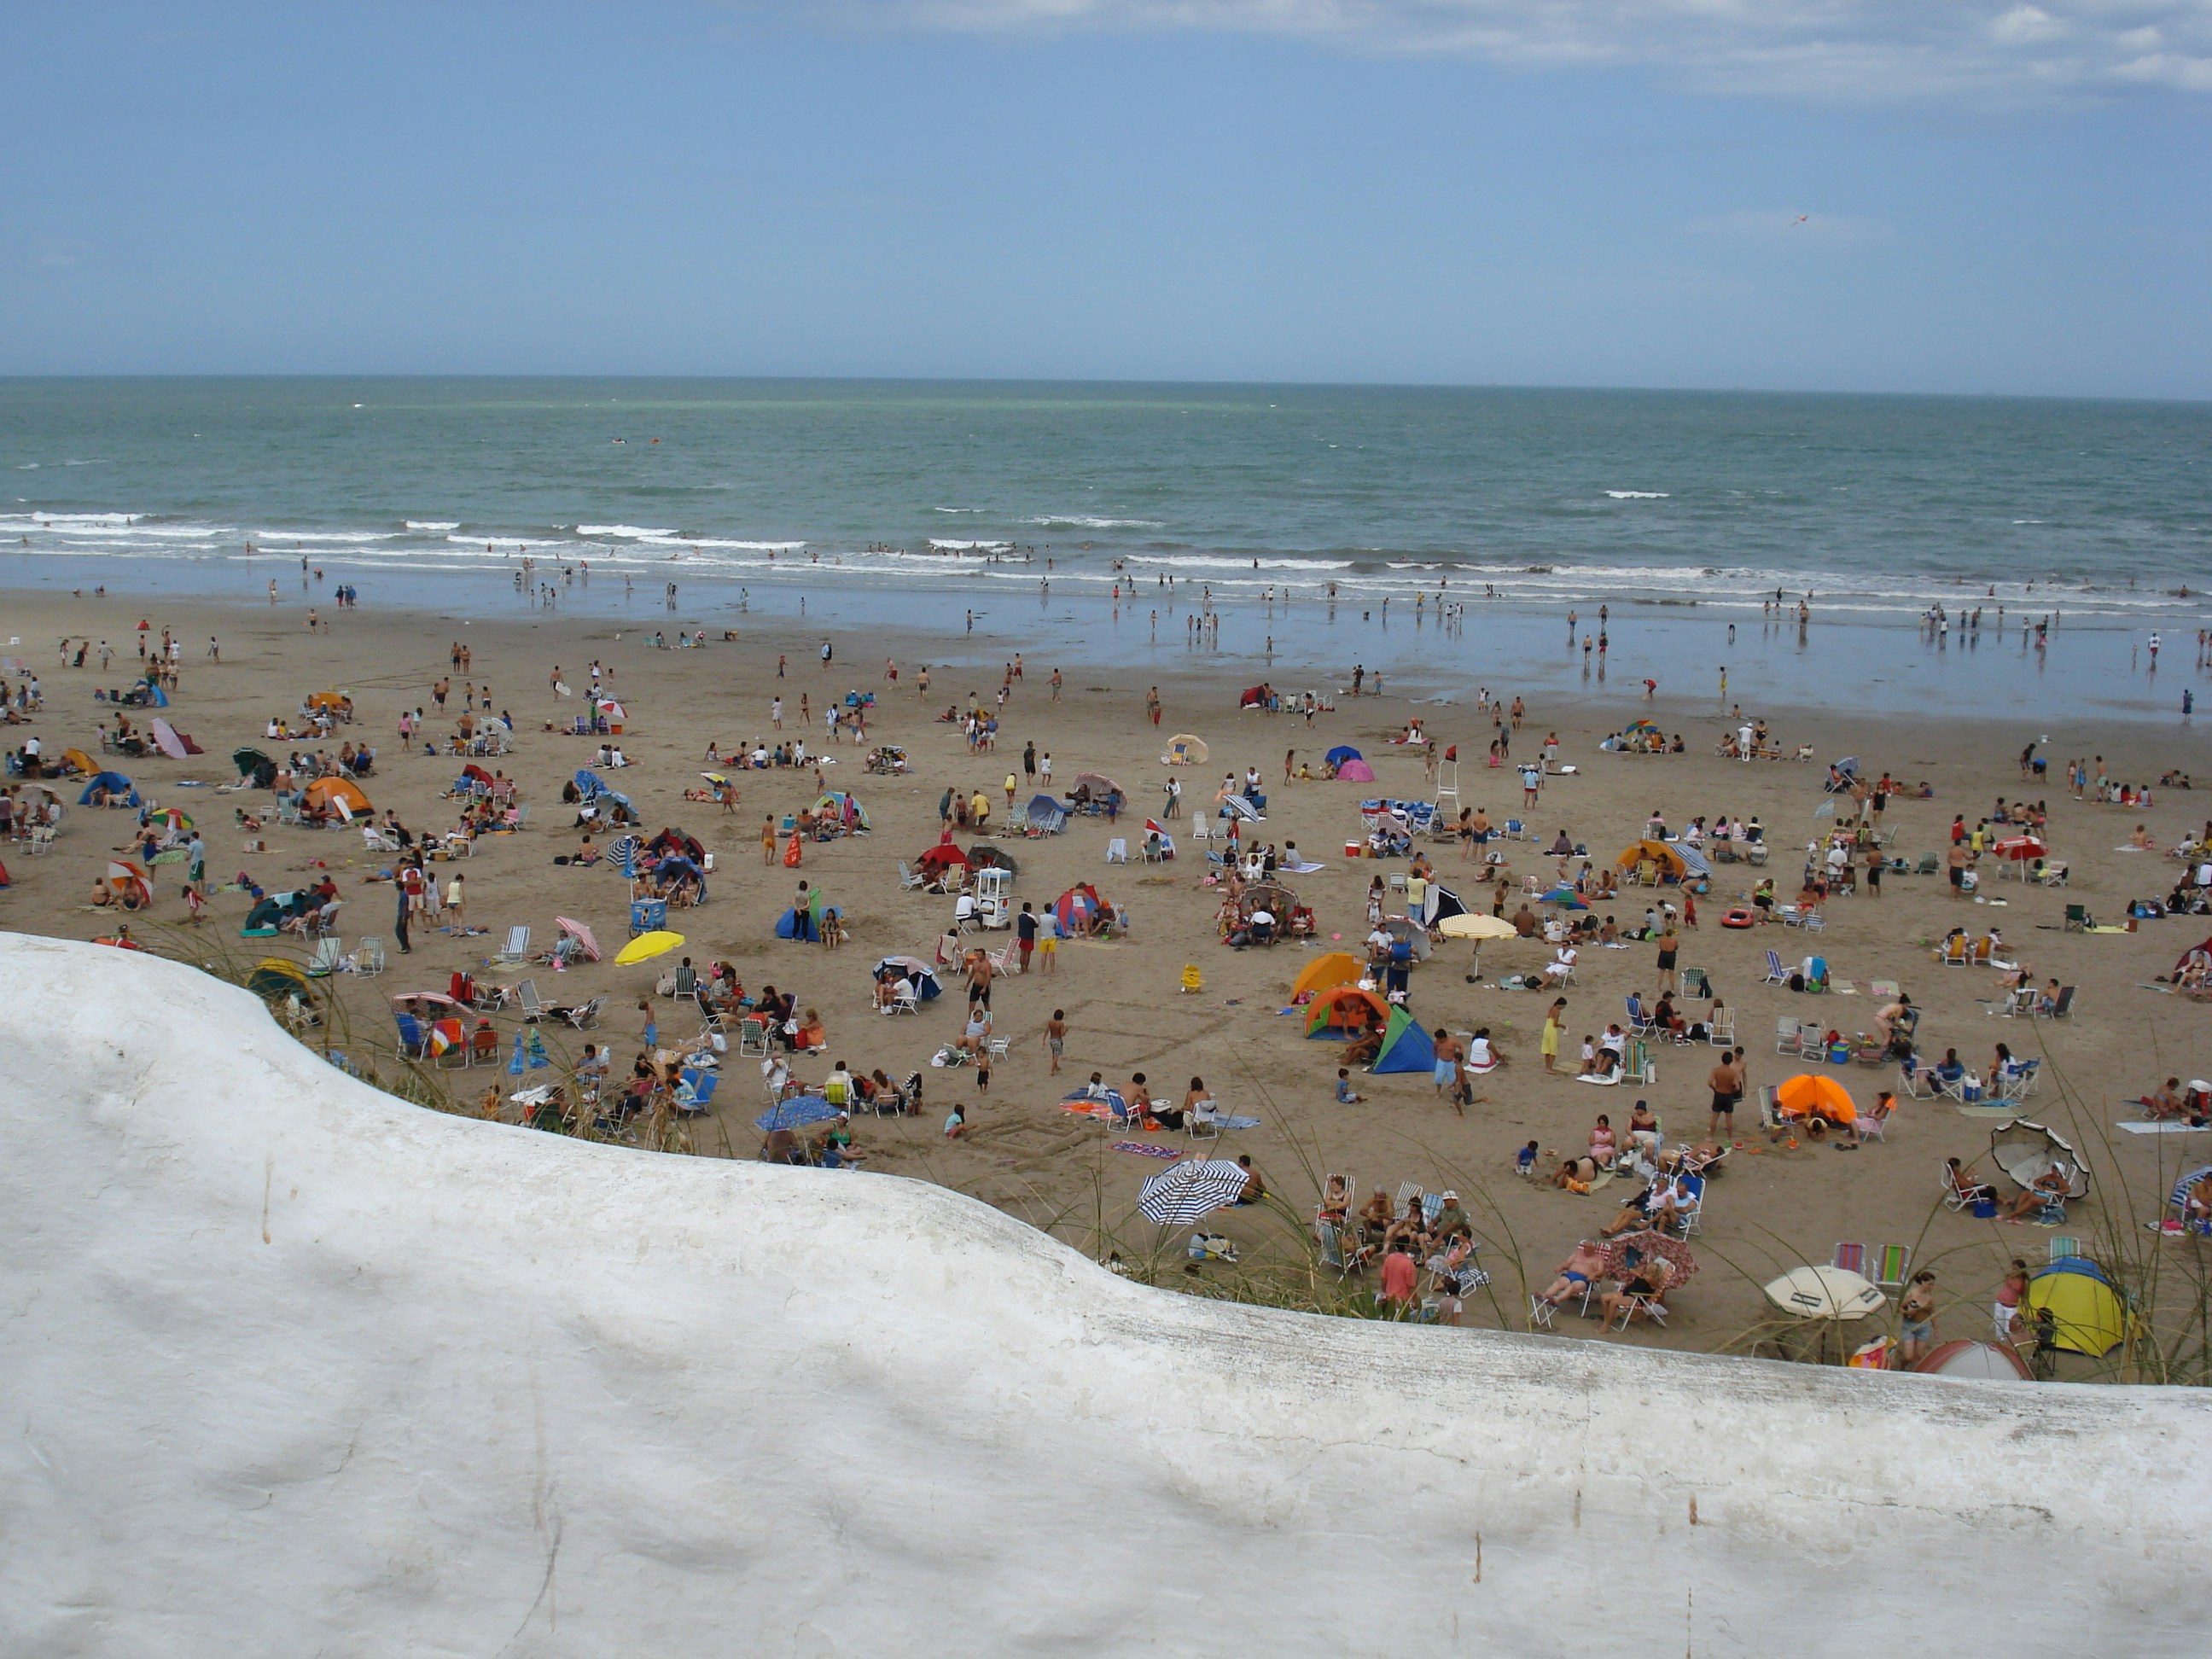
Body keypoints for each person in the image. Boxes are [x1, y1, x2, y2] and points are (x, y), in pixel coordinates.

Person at [1536, 1240, 1605, 1308]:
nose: (1584, 1248)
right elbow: (1568, 1263)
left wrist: (1594, 1275)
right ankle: (1545, 1296)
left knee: (1572, 1287)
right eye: (1584, 1246)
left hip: (1583, 1279)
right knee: (1559, 1283)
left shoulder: (1599, 1258)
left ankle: (1556, 1300)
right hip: (1570, 1275)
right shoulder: (1578, 1253)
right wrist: (1562, 1266)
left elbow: (1601, 1271)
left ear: (1594, 1248)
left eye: (1587, 1247)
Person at [1899, 1271, 1938, 1366]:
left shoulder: (1930, 1298)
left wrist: (1936, 1329)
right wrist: (1907, 1312)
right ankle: (1902, 1367)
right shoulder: (1911, 1294)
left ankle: (1911, 1373)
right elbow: (1899, 1308)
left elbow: (1932, 1313)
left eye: (1933, 1285)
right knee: (1908, 1356)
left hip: (1924, 1327)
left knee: (1918, 1356)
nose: (1931, 1287)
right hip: (1909, 1326)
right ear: (1923, 1282)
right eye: (1930, 1284)